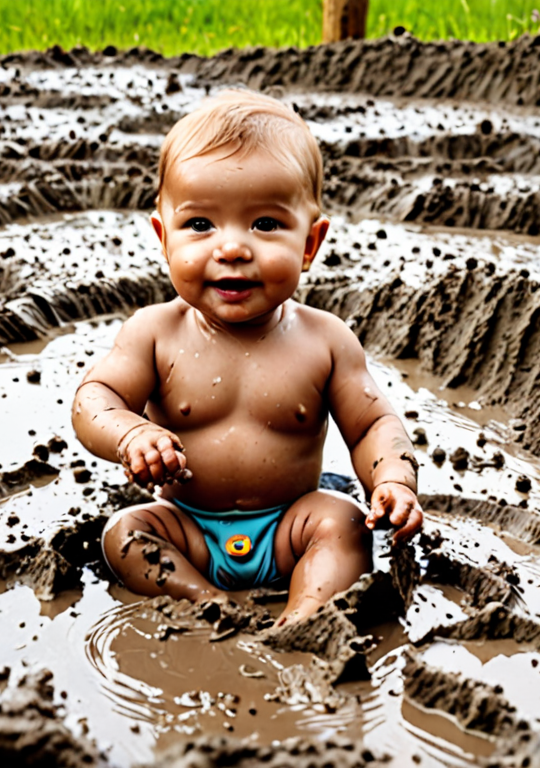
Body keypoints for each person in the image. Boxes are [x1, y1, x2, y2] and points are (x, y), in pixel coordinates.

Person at [71, 89, 422, 626]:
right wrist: (129, 435)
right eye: (200, 224)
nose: (231, 248)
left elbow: (372, 422)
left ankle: (304, 617)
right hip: (186, 525)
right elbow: (93, 399)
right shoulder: (154, 333)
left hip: (290, 527)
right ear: (164, 238)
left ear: (310, 243)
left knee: (345, 524)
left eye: (264, 224)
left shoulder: (324, 339)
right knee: (124, 535)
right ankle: (205, 602)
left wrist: (393, 481)